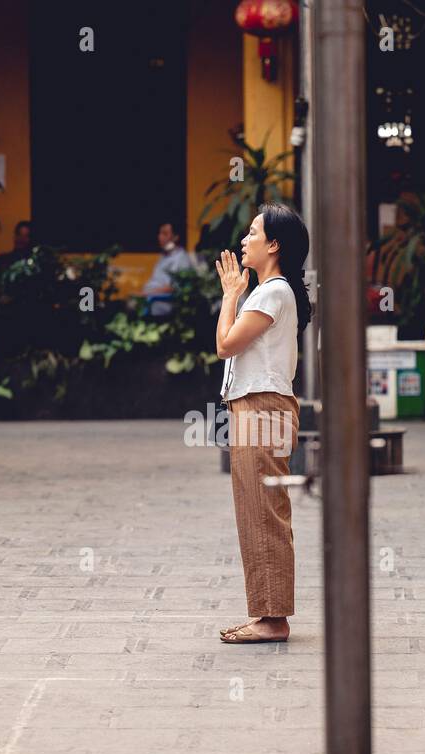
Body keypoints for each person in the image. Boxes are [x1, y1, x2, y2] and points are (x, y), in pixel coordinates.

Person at [214, 204, 310, 644]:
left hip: (262, 408)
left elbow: (226, 344)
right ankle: (266, 613)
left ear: (273, 244)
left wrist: (230, 292)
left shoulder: (273, 291)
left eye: (253, 232)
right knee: (255, 509)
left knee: (263, 511)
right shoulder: (272, 291)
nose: (244, 239)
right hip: (254, 406)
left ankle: (273, 618)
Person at [142, 221, 194, 317]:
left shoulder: (181, 258)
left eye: (165, 234)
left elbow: (174, 288)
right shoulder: (163, 256)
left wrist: (144, 294)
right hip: (149, 301)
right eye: (160, 233)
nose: (160, 237)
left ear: (175, 237)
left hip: (161, 304)